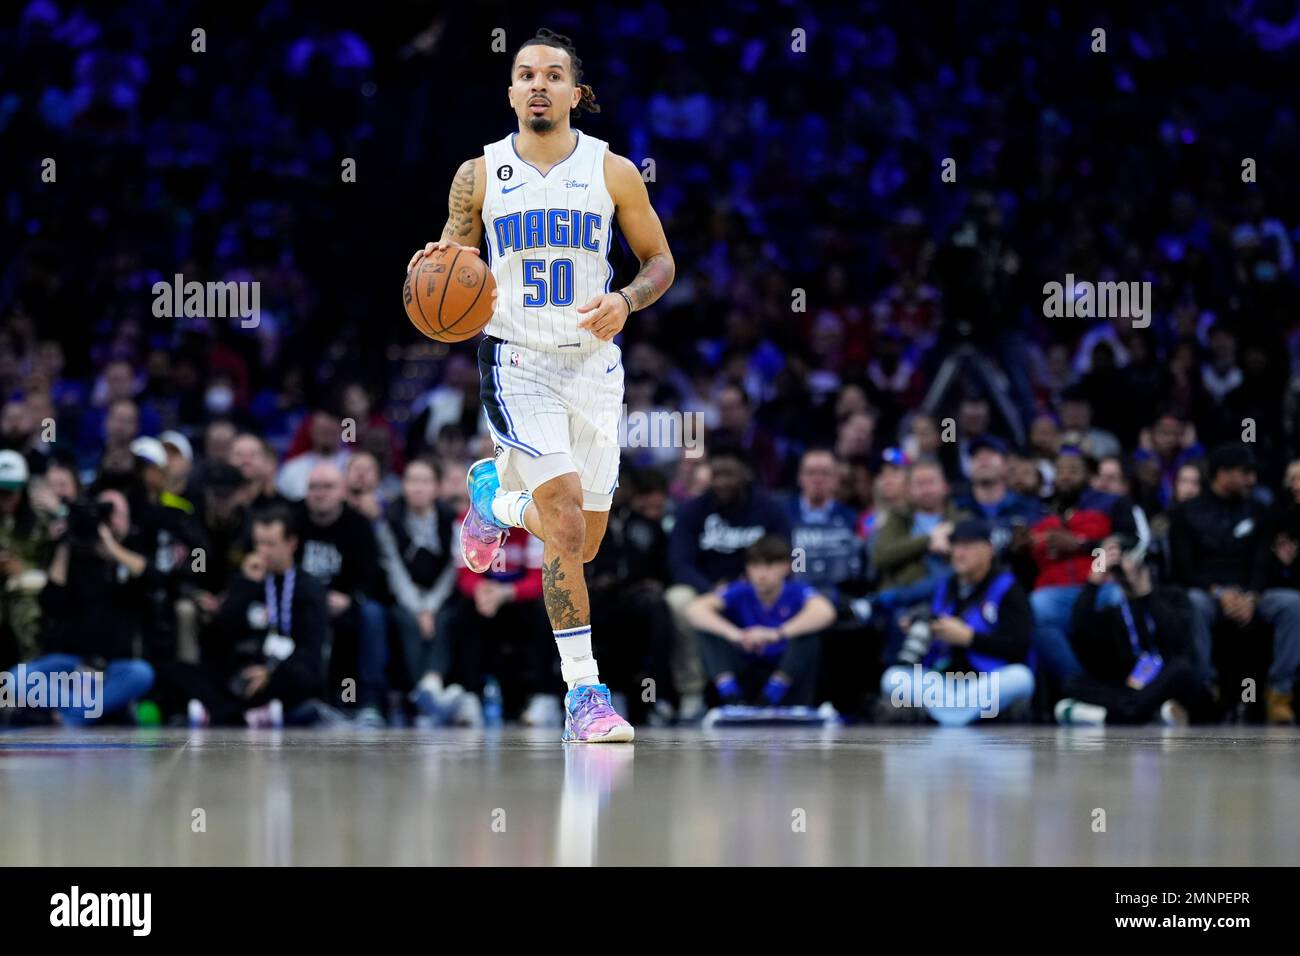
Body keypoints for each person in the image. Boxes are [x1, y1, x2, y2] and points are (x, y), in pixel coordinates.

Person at [405, 28, 675, 743]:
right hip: (516, 359)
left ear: (576, 94)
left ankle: (495, 497)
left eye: (553, 75)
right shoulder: (480, 173)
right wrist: (431, 270)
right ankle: (585, 693)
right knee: (560, 523)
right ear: (511, 91)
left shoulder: (614, 171)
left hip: (594, 366)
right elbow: (453, 261)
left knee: (582, 544)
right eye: (525, 74)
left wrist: (628, 300)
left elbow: (659, 263)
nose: (538, 85)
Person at [161, 506, 328, 727]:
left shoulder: (309, 588)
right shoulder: (244, 580)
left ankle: (226, 714)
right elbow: (217, 637)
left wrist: (271, 674)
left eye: (270, 544)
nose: (262, 551)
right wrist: (245, 586)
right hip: (241, 671)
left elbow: (311, 647)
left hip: (282, 671)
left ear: (291, 544)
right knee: (176, 672)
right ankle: (255, 715)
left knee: (305, 676)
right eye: (258, 543)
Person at [1169, 444, 1300, 723]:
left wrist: (1252, 596)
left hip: (1252, 592)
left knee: (1292, 604)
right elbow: (1183, 570)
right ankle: (1205, 689)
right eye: (1245, 473)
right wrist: (1220, 593)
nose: (1252, 480)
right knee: (1193, 602)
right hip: (1208, 591)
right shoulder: (1186, 512)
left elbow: (1262, 562)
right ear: (1222, 473)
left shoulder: (1259, 509)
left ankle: (1279, 693)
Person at [665, 444, 790, 718]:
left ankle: (779, 688)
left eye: (729, 474)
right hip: (707, 591)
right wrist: (710, 589)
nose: (721, 482)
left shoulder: (769, 509)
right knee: (677, 599)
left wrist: (742, 587)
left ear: (745, 474)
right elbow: (679, 564)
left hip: (754, 588)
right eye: (717, 474)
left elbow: (785, 555)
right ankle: (692, 692)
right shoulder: (692, 511)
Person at [879, 519, 1035, 725]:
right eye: (956, 546)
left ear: (989, 550)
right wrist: (927, 629)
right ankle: (958, 714)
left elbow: (1019, 647)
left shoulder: (1007, 587)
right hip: (946, 683)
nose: (959, 553)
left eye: (968, 547)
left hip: (986, 681)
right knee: (893, 677)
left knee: (1021, 677)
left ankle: (946, 715)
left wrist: (969, 638)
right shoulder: (947, 586)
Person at [28, 489, 156, 725]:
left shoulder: (136, 549)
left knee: (142, 673)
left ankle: (73, 716)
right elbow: (50, 603)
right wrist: (66, 544)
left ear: (129, 519)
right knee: (16, 679)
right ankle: (86, 713)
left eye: (117, 514)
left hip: (114, 668)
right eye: (105, 513)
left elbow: (151, 578)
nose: (111, 521)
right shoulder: (76, 553)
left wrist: (111, 547)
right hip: (69, 665)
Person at [1054, 535, 1213, 726]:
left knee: (1181, 669)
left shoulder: (1174, 597)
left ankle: (1115, 714)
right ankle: (1147, 712)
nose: (1123, 569)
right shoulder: (1116, 611)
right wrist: (1094, 579)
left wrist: (1145, 591)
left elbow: (1176, 640)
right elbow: (1080, 628)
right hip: (1134, 687)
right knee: (1072, 683)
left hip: (1170, 678)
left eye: (1128, 558)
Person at [684, 534, 835, 708]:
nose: (761, 574)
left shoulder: (797, 590)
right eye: (755, 566)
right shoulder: (740, 590)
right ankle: (730, 696)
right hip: (746, 668)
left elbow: (825, 612)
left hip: (785, 672)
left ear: (786, 567)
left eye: (770, 565)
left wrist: (776, 634)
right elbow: (694, 610)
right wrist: (736, 635)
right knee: (707, 629)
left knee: (808, 634)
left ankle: (773, 694)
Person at [374, 459, 471, 725]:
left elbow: (454, 568)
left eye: (425, 481)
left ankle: (429, 687)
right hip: (405, 598)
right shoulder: (389, 521)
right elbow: (395, 572)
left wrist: (430, 607)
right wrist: (419, 609)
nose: (417, 488)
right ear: (403, 486)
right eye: (412, 481)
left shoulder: (451, 520)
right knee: (406, 622)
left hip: (441, 597)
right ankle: (429, 694)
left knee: (446, 619)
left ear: (437, 488)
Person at [294, 462, 386, 725]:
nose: (319, 493)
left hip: (346, 604)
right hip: (303, 605)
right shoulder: (294, 521)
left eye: (327, 487)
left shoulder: (358, 525)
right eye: (314, 487)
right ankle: (302, 700)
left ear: (343, 491)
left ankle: (370, 702)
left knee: (373, 614)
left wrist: (350, 599)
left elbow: (371, 577)